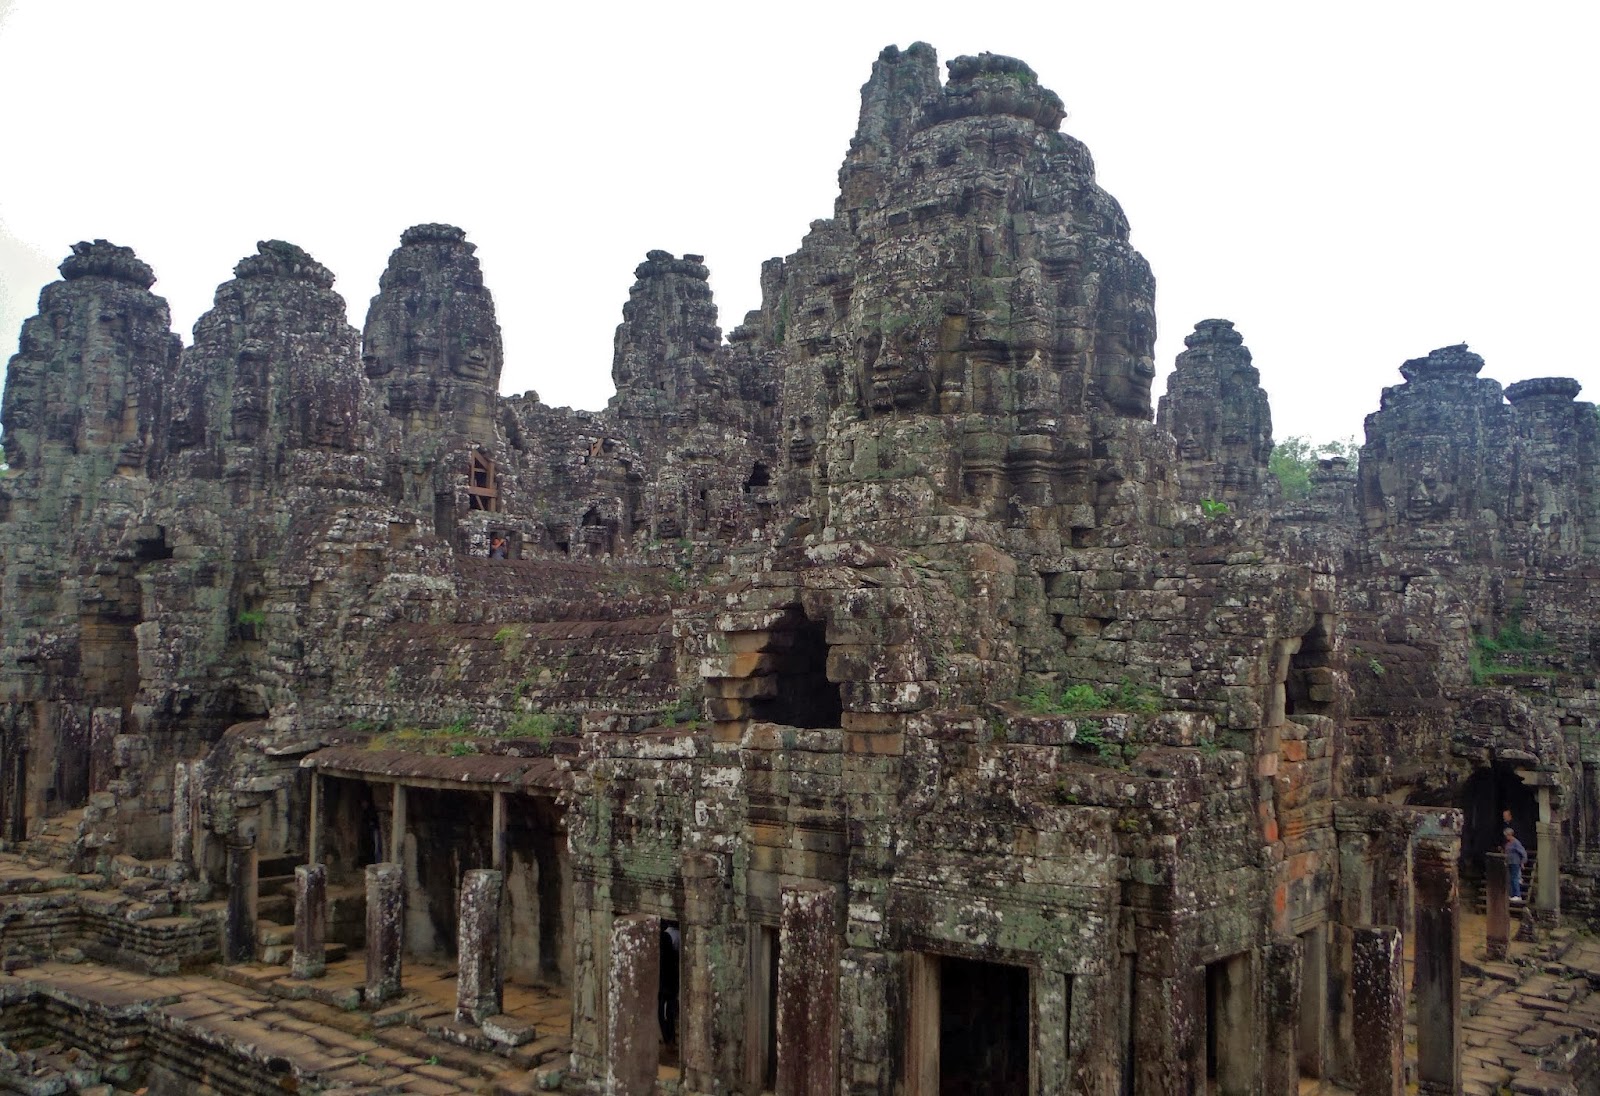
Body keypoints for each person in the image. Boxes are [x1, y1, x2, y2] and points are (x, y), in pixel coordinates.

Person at [1504, 827, 1528, 902]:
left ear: (1510, 835)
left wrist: (1523, 862)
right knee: (1510, 878)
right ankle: (1511, 894)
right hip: (1509, 862)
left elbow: (1523, 852)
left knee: (1515, 878)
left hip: (1515, 862)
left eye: (1507, 835)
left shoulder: (1516, 843)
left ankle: (1517, 895)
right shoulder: (1508, 843)